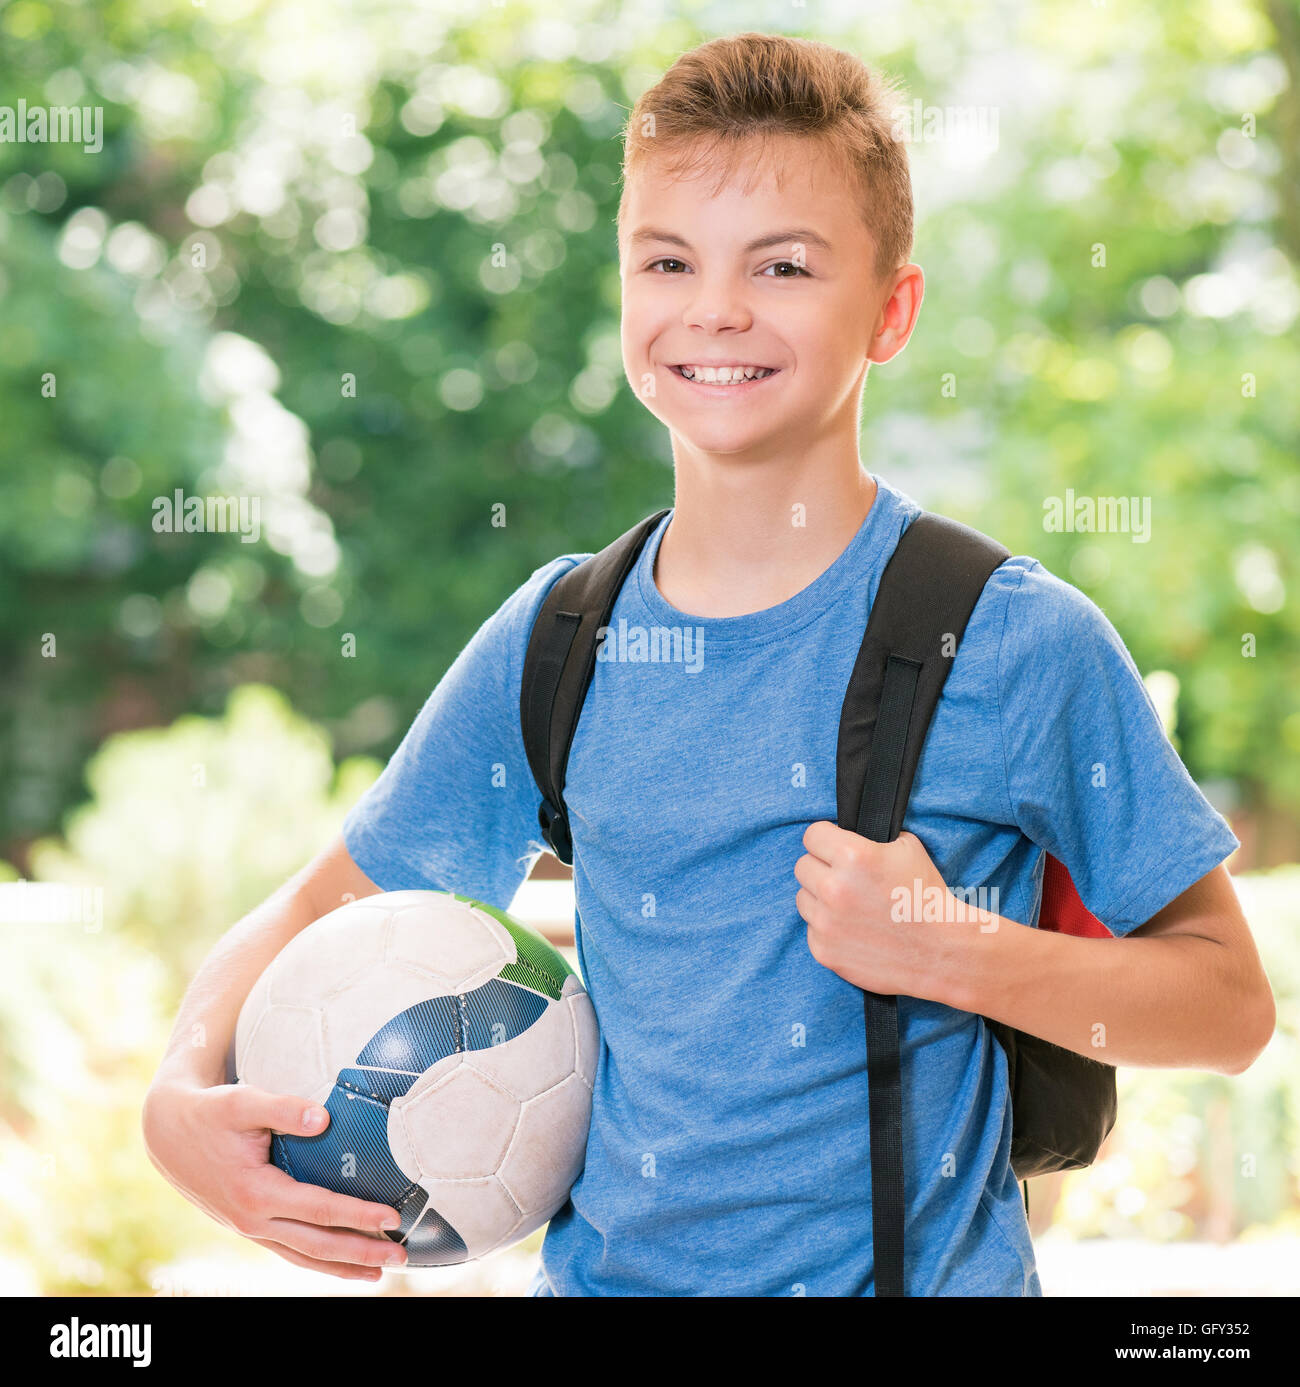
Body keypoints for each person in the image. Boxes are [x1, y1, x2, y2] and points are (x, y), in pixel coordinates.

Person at [144, 31, 1275, 1295]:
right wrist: (178, 1095)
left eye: (782, 265)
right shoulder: (557, 638)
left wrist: (946, 948)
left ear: (891, 310)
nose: (716, 308)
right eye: (668, 261)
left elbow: (1229, 1009)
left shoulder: (1013, 640)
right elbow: (321, 906)